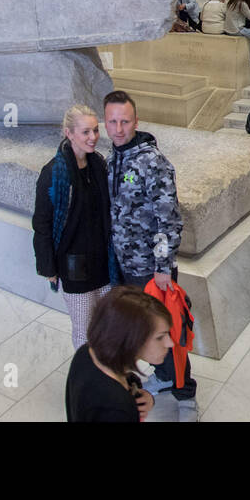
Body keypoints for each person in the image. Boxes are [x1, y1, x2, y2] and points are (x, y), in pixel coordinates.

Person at [103, 90, 197, 419]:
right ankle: (162, 377)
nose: (118, 128)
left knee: (170, 336)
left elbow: (168, 219)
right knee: (144, 334)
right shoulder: (113, 157)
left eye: (125, 121)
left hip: (152, 271)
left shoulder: (151, 161)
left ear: (136, 121)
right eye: (112, 121)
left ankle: (186, 396)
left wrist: (162, 267)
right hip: (125, 267)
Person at [33, 104, 120, 349]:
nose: (92, 138)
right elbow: (42, 222)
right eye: (85, 132)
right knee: (85, 333)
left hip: (104, 261)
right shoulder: (53, 173)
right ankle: (87, 381)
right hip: (74, 267)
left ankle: (108, 375)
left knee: (108, 326)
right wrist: (48, 266)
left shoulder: (99, 165)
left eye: (95, 131)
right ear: (68, 133)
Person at [64, 286, 168, 422]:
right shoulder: (116, 408)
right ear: (132, 339)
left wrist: (136, 392)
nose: (169, 343)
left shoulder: (87, 352)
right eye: (160, 337)